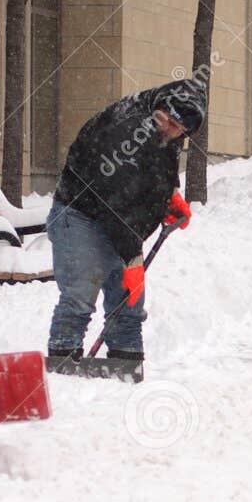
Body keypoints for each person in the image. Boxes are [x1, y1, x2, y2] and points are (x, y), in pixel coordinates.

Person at [47, 77, 207, 374]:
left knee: (129, 305)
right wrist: (132, 260)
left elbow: (160, 166)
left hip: (119, 224)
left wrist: (170, 195)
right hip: (80, 215)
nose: (172, 132)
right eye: (170, 123)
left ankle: (125, 369)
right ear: (161, 109)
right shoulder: (126, 129)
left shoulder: (166, 125)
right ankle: (61, 372)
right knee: (80, 298)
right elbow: (117, 203)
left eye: (180, 130)